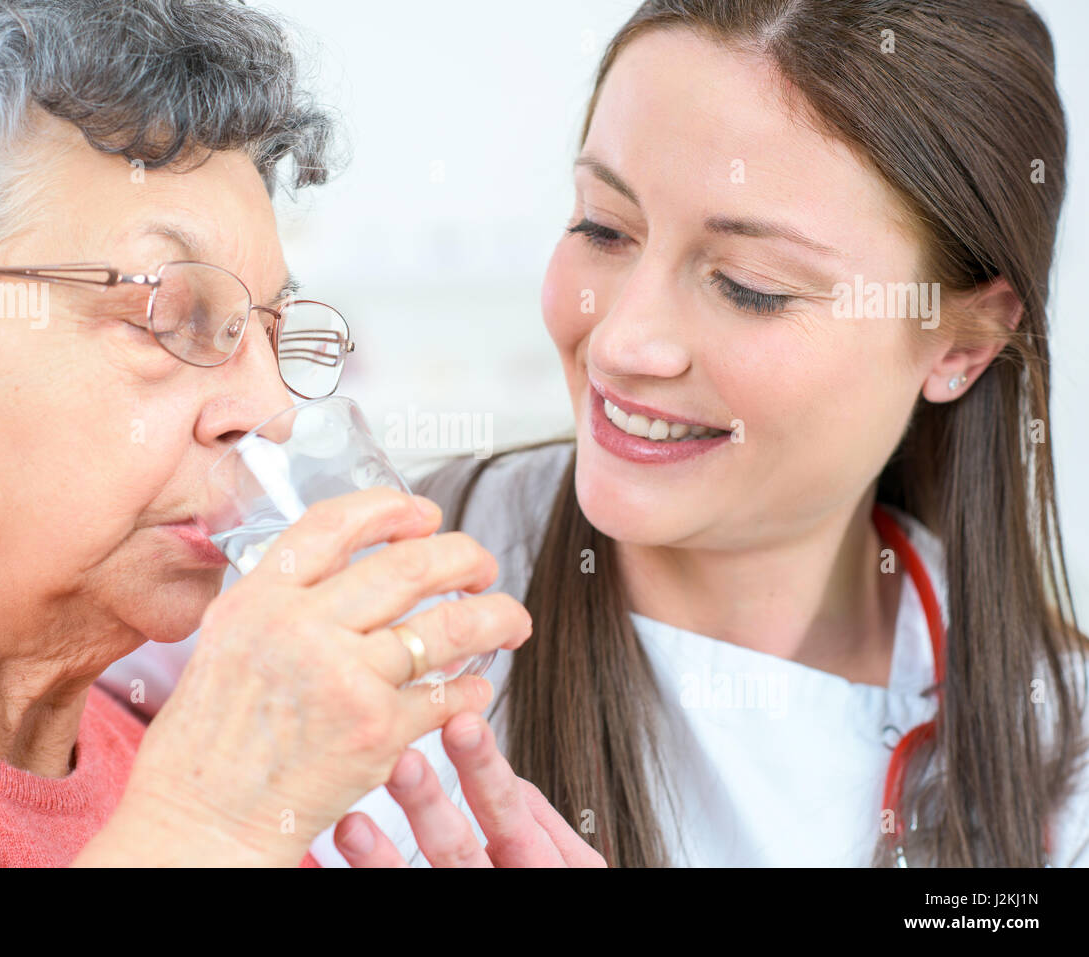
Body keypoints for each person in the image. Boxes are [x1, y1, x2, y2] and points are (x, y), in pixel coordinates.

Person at [112, 0, 1089, 867]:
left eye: (750, 287)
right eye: (602, 229)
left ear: (962, 340)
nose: (621, 341)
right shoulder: (318, 590)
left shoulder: (1061, 749)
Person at [0, 0, 600, 867]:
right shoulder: (208, 811)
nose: (267, 407)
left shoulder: (186, 777)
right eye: (167, 315)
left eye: (271, 334)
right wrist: (202, 830)